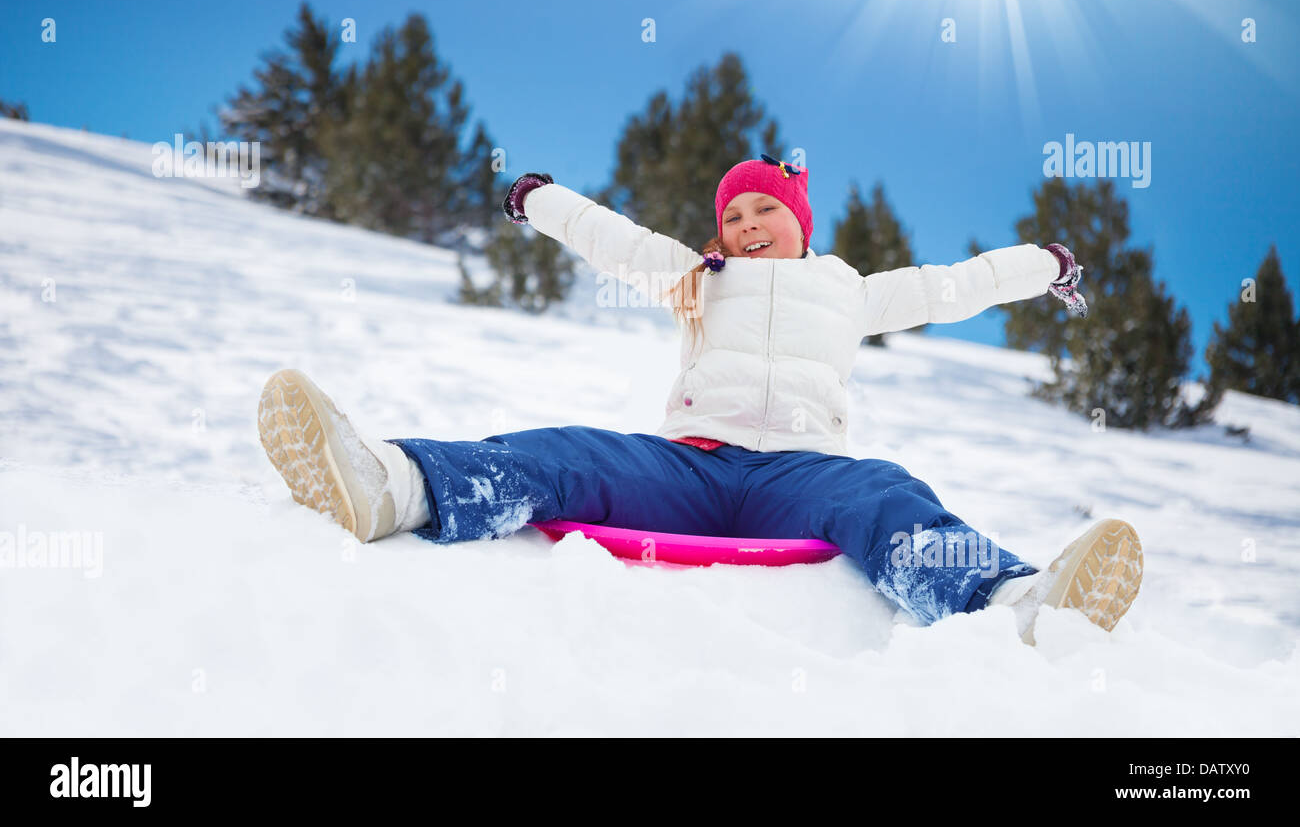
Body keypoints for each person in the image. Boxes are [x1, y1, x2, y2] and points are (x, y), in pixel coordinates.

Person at [257, 155, 1141, 645]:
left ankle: (1012, 606)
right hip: (693, 465)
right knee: (571, 452)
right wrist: (543, 198)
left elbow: (959, 284)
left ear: (801, 220)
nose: (749, 225)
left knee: (884, 493)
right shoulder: (698, 280)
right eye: (735, 215)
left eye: (767, 210)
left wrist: (1048, 265)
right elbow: (616, 241)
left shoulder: (850, 290)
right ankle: (393, 487)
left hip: (805, 476)